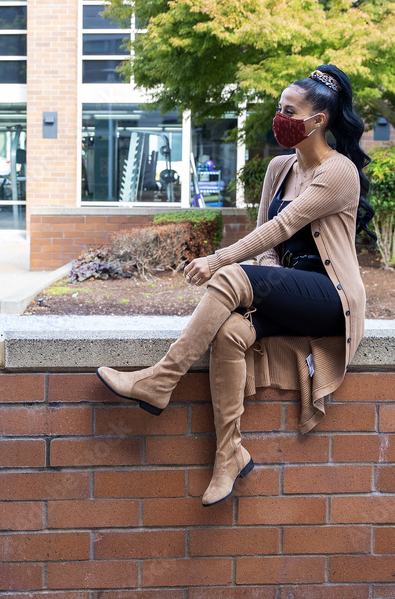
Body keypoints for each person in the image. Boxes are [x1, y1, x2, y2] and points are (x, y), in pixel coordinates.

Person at [97, 64, 376, 507]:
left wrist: (219, 258)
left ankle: (160, 380)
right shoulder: (279, 169)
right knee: (230, 335)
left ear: (318, 120)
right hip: (288, 290)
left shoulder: (338, 172)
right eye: (279, 108)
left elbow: (282, 226)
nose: (280, 117)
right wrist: (262, 273)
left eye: (290, 110)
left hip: (329, 296)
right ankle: (229, 456)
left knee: (230, 276)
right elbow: (269, 245)